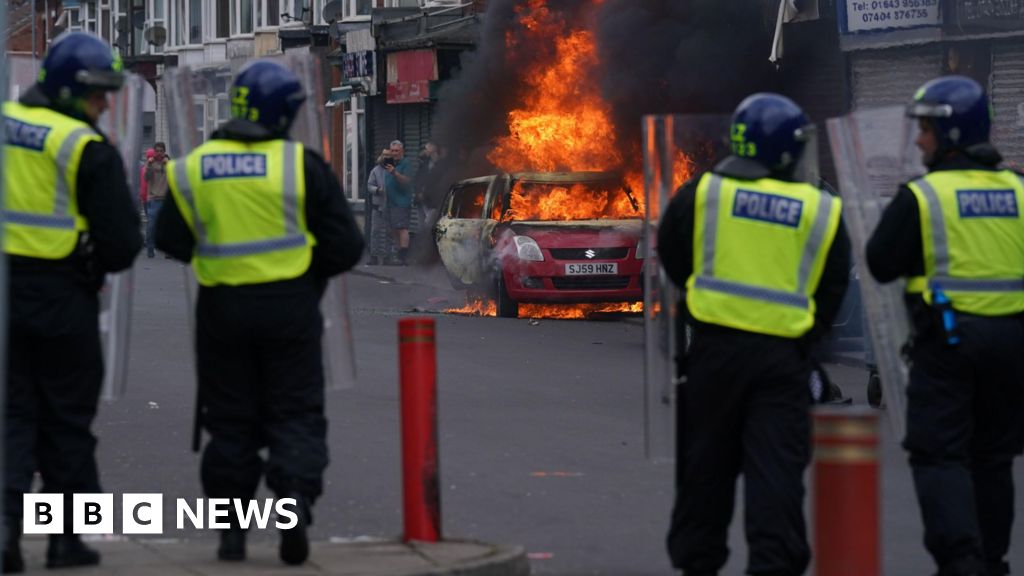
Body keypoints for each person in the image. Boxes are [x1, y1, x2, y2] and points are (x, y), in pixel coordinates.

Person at [155, 60, 364, 566]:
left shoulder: (192, 168)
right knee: (294, 415)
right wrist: (307, 274)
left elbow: (167, 239)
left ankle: (232, 536)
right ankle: (292, 506)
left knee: (230, 422)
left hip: (222, 311)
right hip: (290, 308)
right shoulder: (300, 166)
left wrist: (216, 253)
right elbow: (346, 245)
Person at [657, 93, 850, 576]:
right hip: (782, 363)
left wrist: (703, 302)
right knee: (777, 477)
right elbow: (833, 284)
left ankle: (697, 565)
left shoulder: (704, 192)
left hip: (714, 356)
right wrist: (808, 334)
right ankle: (773, 566)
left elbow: (671, 252)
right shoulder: (818, 207)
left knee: (704, 473)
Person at [866, 76, 1024, 576]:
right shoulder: (1019, 190)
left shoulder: (924, 196)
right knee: (994, 458)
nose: (919, 140)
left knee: (940, 455)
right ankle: (993, 561)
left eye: (927, 130)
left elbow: (881, 262)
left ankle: (961, 562)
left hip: (949, 344)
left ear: (951, 134)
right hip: (1013, 346)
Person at [2, 32, 142, 573]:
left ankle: (6, 531)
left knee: (11, 415)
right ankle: (66, 540)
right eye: (98, 94)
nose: (105, 104)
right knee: (66, 422)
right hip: (62, 298)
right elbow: (123, 244)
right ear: (69, 90)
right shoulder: (85, 147)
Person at [384, 139, 415, 264]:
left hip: (401, 202)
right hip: (390, 202)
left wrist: (395, 173)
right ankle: (398, 253)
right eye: (392, 151)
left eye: (397, 150)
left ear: (402, 151)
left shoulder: (405, 163)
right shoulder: (390, 162)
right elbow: (379, 160)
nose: (394, 153)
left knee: (402, 228)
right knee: (393, 229)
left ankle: (403, 256)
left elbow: (407, 181)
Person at [367, 147, 394, 265]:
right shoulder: (375, 170)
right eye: (384, 155)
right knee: (375, 231)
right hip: (377, 206)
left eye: (388, 155)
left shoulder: (394, 170)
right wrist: (377, 190)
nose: (386, 157)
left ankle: (387, 256)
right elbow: (369, 185)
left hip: (390, 206)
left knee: (389, 232)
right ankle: (374, 256)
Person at [144, 141, 169, 258]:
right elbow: (146, 178)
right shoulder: (151, 163)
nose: (159, 153)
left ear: (164, 152)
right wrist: (149, 165)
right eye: (157, 151)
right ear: (154, 152)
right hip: (154, 199)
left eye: (161, 151)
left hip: (166, 199)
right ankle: (150, 248)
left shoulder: (169, 163)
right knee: (151, 226)